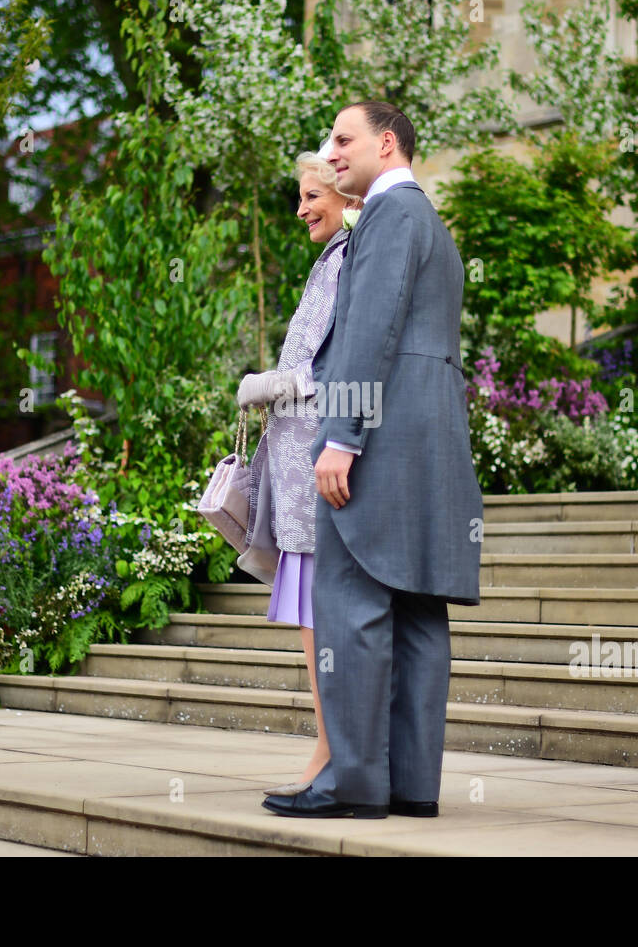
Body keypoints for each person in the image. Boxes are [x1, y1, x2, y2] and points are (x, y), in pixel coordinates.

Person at [262, 100, 483, 820]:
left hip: (381, 447)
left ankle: (351, 783)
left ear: (386, 145)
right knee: (418, 615)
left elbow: (371, 330)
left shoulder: (388, 217)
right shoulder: (437, 229)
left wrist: (342, 436)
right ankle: (412, 786)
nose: (330, 155)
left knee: (352, 602)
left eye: (342, 140)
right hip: (434, 451)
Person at [236, 150, 363, 797]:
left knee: (324, 623)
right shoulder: (330, 259)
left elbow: (331, 365)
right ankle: (328, 745)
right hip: (299, 473)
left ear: (342, 195)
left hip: (317, 470)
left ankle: (330, 750)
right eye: (300, 195)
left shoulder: (348, 259)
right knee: (317, 625)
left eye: (311, 195)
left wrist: (269, 383)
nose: (301, 208)